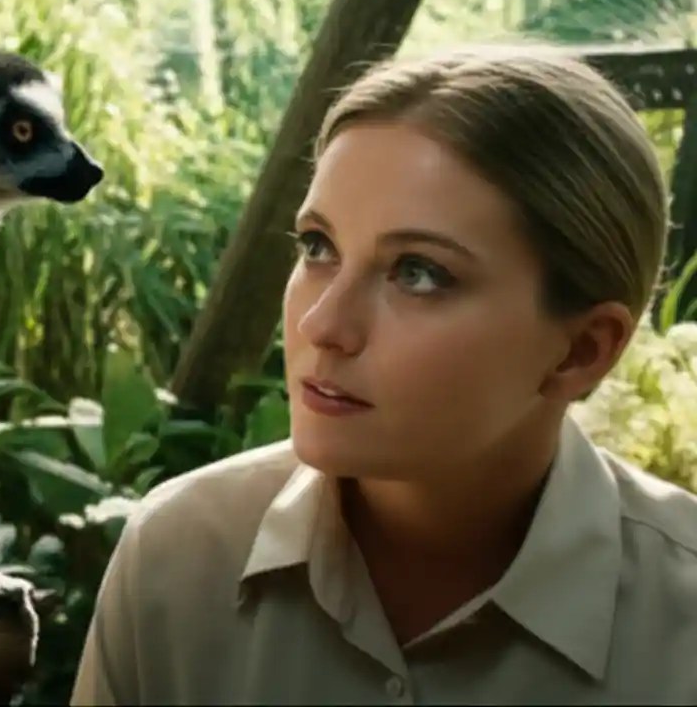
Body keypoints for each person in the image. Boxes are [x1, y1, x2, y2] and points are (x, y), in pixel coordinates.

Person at [69, 46, 697, 705]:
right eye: (318, 247)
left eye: (418, 273)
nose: (321, 323)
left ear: (581, 351)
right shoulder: (179, 561)